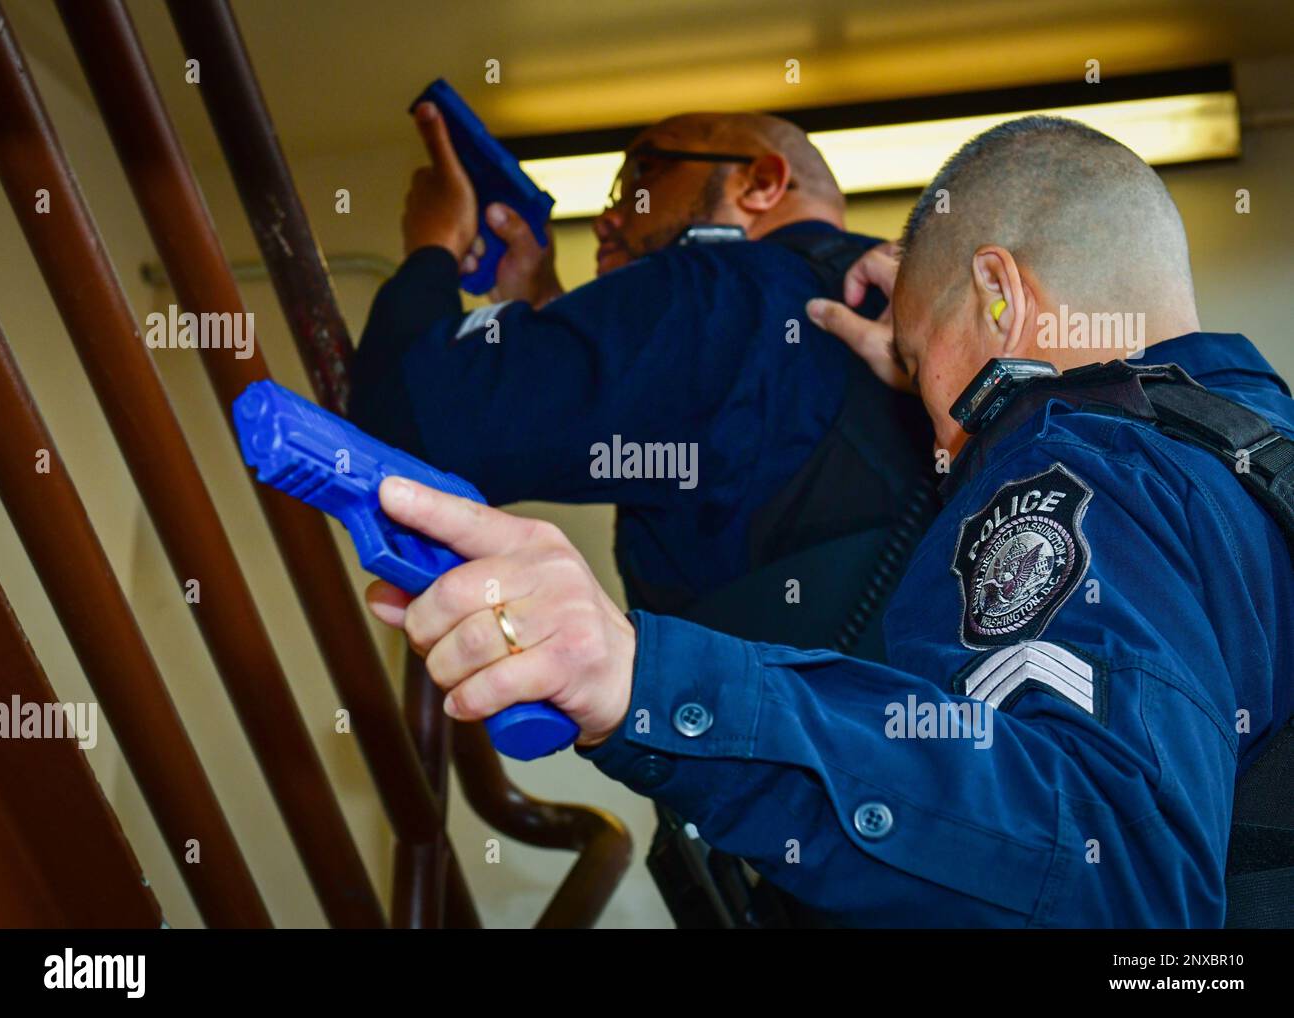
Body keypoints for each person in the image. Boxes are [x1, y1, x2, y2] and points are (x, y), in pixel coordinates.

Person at [362, 115, 1294, 926]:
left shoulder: (1074, 465)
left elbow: (1114, 885)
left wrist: (643, 677)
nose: (938, 438)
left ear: (1002, 295)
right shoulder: (1252, 455)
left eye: (920, 361)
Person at [349, 104, 933, 654]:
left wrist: (433, 246)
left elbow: (400, 426)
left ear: (759, 183)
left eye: (645, 173)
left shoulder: (705, 286)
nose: (610, 215)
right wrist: (550, 313)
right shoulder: (919, 307)